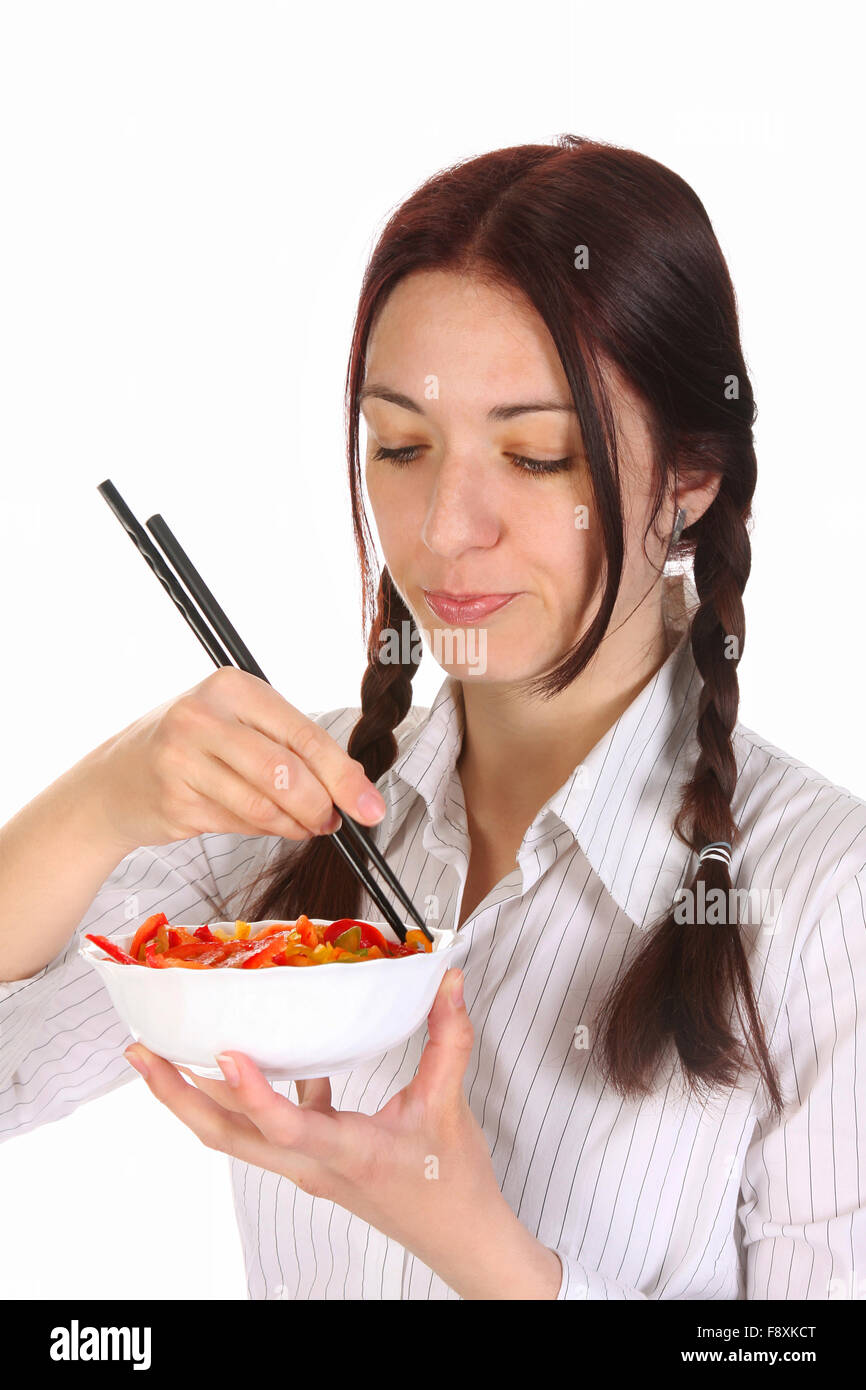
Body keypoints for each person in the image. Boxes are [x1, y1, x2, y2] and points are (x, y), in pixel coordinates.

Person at [2, 135, 864, 1300]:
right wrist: (101, 798)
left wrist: (485, 1253)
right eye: (399, 445)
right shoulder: (280, 810)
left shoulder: (821, 901)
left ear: (691, 476)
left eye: (535, 453)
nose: (445, 527)